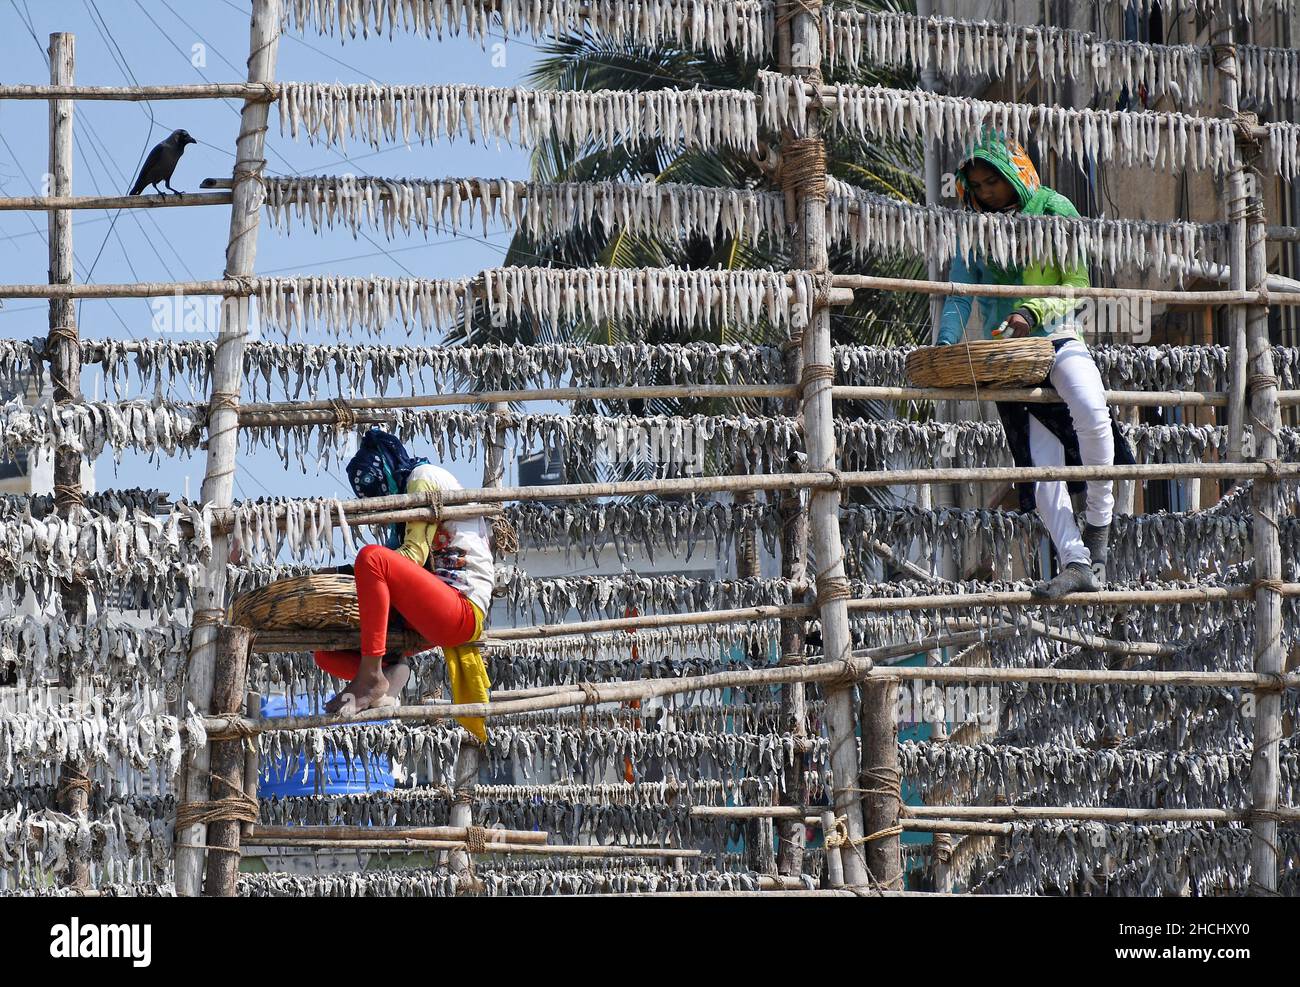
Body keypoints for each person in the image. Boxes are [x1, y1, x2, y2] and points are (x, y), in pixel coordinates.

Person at [937, 130, 1123, 598]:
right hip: (1009, 358)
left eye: (991, 182)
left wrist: (1033, 312)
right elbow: (962, 293)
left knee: (1092, 410)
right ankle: (1075, 561)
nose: (984, 193)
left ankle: (1098, 536)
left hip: (1058, 338)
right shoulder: (974, 229)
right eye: (976, 186)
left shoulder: (1055, 209)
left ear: (1014, 172)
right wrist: (944, 345)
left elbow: (1077, 283)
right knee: (1042, 465)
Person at [315, 428, 494, 741]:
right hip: (431, 613)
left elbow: (412, 556)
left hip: (460, 610)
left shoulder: (422, 478)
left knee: (371, 558)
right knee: (326, 652)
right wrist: (339, 574)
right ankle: (389, 670)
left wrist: (352, 571)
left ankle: (371, 676)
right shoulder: (410, 488)